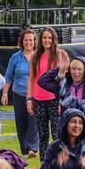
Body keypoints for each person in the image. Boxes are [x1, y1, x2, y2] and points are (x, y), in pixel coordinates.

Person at [27, 27, 69, 157]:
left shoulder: (61, 54)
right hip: (38, 99)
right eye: (44, 37)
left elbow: (65, 79)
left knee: (57, 133)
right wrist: (29, 99)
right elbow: (32, 78)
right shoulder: (35, 56)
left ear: (54, 39)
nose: (47, 40)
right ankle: (45, 163)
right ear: (40, 39)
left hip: (55, 99)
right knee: (43, 133)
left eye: (50, 38)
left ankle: (59, 161)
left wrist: (61, 100)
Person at [1, 29, 39, 159]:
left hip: (35, 96)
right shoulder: (16, 57)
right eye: (26, 40)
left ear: (35, 42)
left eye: (31, 40)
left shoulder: (39, 56)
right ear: (22, 42)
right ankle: (25, 150)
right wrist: (5, 93)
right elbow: (9, 76)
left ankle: (33, 148)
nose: (28, 42)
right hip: (18, 94)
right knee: (21, 123)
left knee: (33, 121)